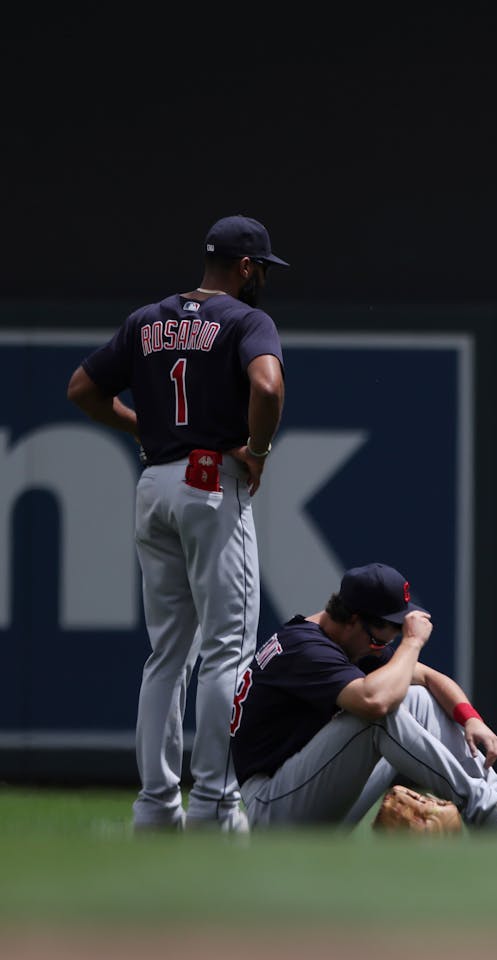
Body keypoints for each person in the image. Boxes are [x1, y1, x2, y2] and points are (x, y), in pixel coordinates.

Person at [66, 214, 288, 832]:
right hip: (212, 482)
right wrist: (259, 452)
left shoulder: (148, 320)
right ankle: (216, 805)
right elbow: (267, 387)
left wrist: (145, 427)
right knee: (227, 651)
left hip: (156, 482)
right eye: (261, 269)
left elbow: (83, 389)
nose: (262, 279)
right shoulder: (247, 319)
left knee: (166, 655)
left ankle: (157, 808)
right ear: (244, 267)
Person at [229, 562, 497, 834]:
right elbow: (375, 704)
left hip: (306, 792)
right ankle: (486, 812)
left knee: (416, 698)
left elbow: (427, 678)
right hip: (273, 810)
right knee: (379, 713)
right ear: (351, 619)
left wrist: (470, 717)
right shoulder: (305, 648)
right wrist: (411, 643)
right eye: (380, 640)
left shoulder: (347, 639)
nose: (383, 647)